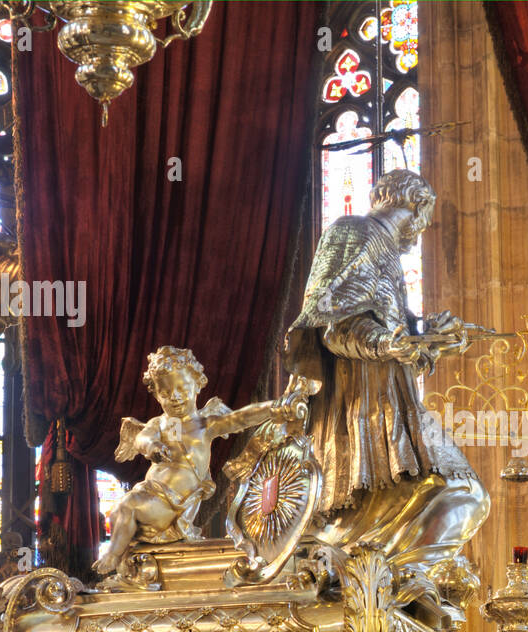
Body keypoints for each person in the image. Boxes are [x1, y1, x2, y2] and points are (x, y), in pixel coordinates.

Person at [283, 169, 489, 578]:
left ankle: (386, 584)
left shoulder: (383, 249)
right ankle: (380, 583)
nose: (420, 231)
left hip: (389, 396)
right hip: (361, 402)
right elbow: (333, 320)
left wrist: (428, 336)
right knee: (461, 495)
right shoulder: (353, 230)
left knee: (462, 496)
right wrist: (390, 344)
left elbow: (384, 322)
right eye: (424, 220)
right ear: (415, 205)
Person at [93, 346, 282, 576]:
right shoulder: (160, 424)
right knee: (121, 510)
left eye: (182, 388)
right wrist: (152, 447)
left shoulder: (206, 425)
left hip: (175, 504)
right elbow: (142, 438)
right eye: (165, 392)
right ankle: (116, 555)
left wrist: (275, 408)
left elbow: (242, 418)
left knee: (127, 506)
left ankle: (114, 555)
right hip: (152, 492)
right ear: (156, 394)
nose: (174, 396)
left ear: (198, 384)